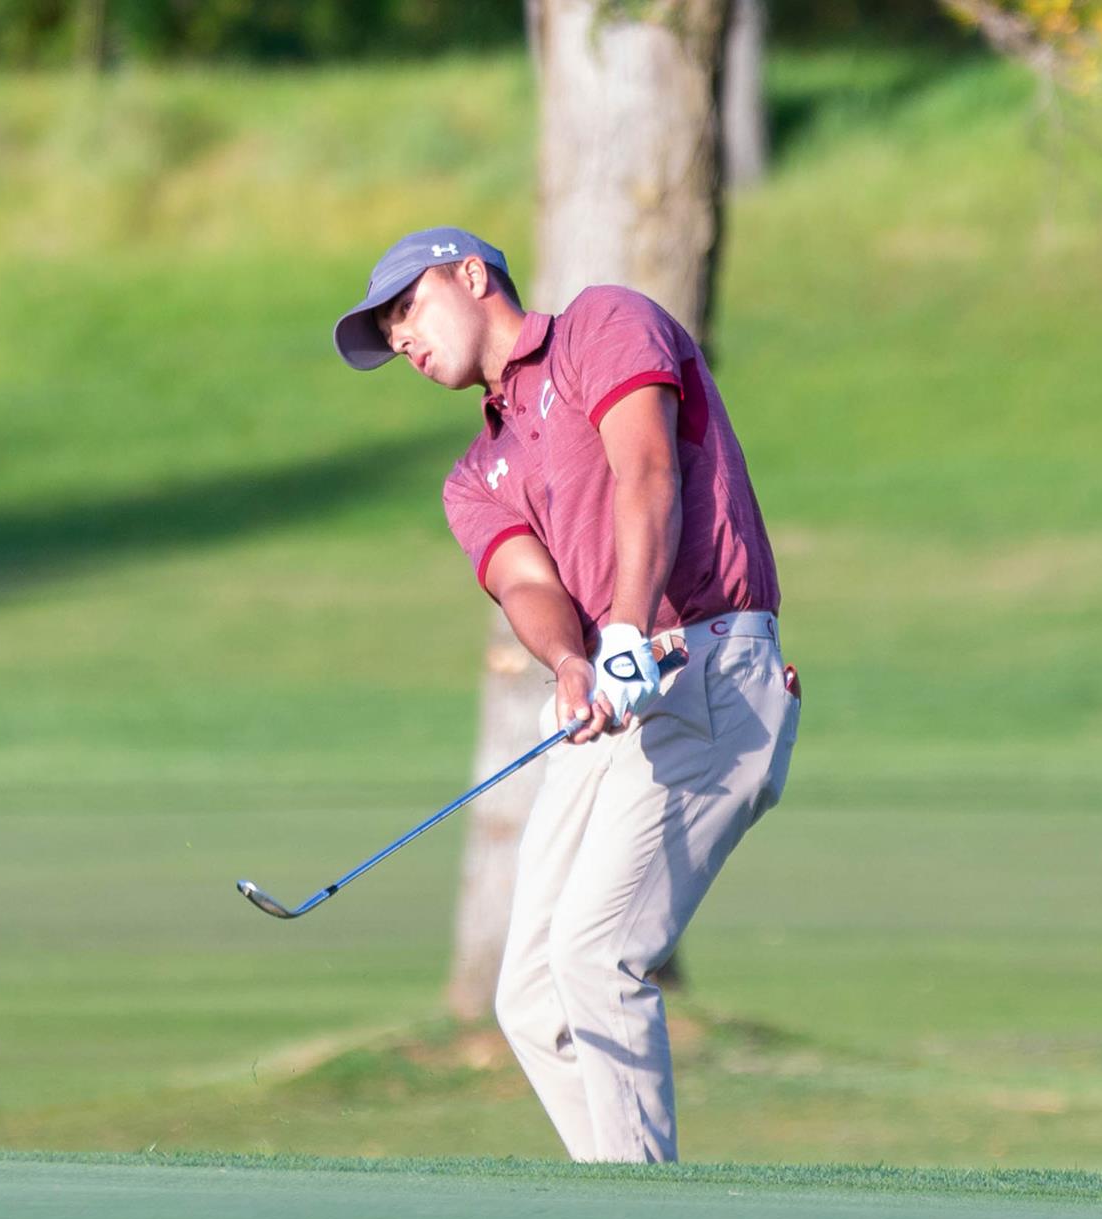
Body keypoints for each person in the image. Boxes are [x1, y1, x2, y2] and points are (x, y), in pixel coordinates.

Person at [332, 228, 799, 1163]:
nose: (402, 339)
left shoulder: (602, 324)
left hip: (711, 672)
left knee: (596, 955)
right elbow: (527, 584)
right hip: (612, 702)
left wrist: (622, 628)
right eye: (387, 333)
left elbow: (646, 470)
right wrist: (571, 663)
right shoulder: (474, 477)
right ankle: (626, 1196)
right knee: (532, 995)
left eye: (408, 308)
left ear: (472, 274)